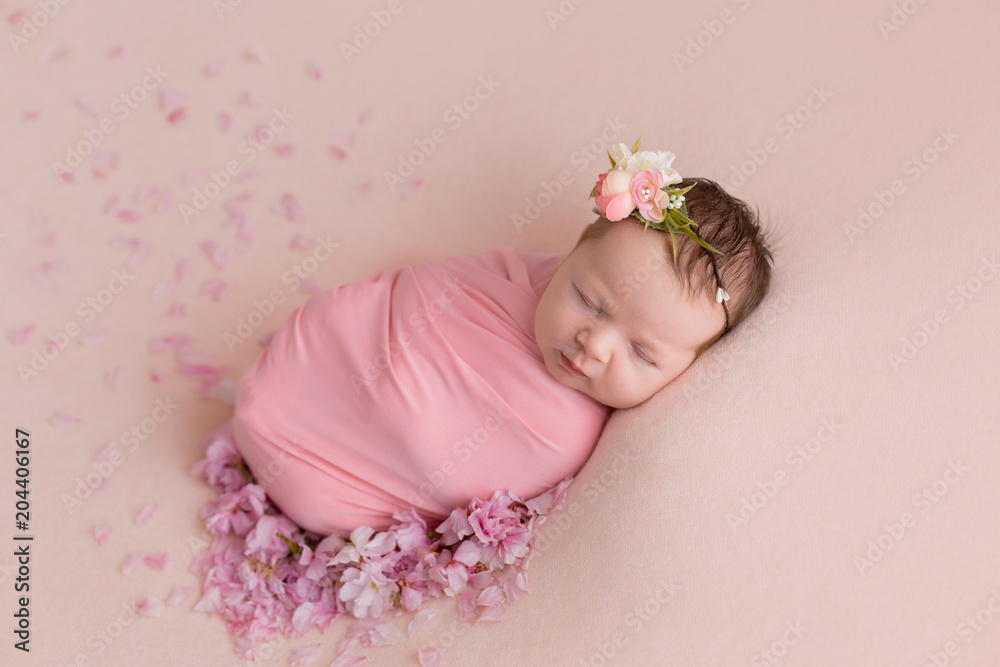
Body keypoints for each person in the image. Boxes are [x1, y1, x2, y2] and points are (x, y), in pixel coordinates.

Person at [228, 139, 775, 536]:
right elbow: (413, 294)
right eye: (587, 299)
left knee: (327, 483)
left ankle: (297, 451)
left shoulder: (558, 434)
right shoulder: (516, 278)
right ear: (570, 255)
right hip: (331, 358)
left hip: (334, 478)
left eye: (641, 353)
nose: (594, 345)